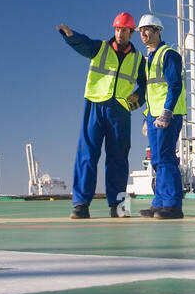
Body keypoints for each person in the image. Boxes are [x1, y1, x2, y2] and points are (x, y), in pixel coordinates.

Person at [58, 13, 145, 220]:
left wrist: (138, 99)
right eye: (117, 29)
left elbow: (145, 84)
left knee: (119, 158)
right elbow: (84, 44)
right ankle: (80, 205)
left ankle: (119, 206)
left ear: (131, 33)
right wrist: (71, 36)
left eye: (124, 30)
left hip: (120, 111)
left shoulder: (138, 59)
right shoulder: (101, 48)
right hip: (95, 106)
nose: (119, 33)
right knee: (87, 155)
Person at [136, 13, 185, 219]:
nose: (143, 33)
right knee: (156, 160)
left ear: (158, 31)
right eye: (141, 30)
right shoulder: (148, 59)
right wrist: (146, 117)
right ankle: (159, 203)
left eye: (147, 29)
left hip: (168, 116)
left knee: (166, 159)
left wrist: (167, 112)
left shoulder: (169, 54)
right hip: (153, 116)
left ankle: (173, 205)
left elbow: (174, 85)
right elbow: (150, 92)